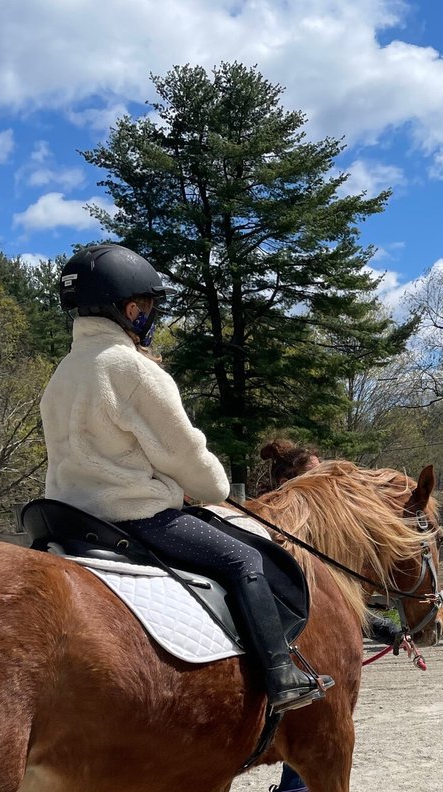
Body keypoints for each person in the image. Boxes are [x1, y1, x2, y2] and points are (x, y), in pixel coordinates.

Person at [42, 243, 332, 715]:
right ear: (131, 309)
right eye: (148, 306)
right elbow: (188, 456)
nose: (149, 316)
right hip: (134, 517)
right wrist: (211, 485)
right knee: (244, 561)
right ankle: (282, 676)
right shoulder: (132, 369)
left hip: (69, 518)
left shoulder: (62, 374)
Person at [254, 437, 383, 792]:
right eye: (316, 477)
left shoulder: (311, 537)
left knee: (321, 746)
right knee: (301, 753)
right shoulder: (284, 540)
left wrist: (384, 628)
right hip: (288, 663)